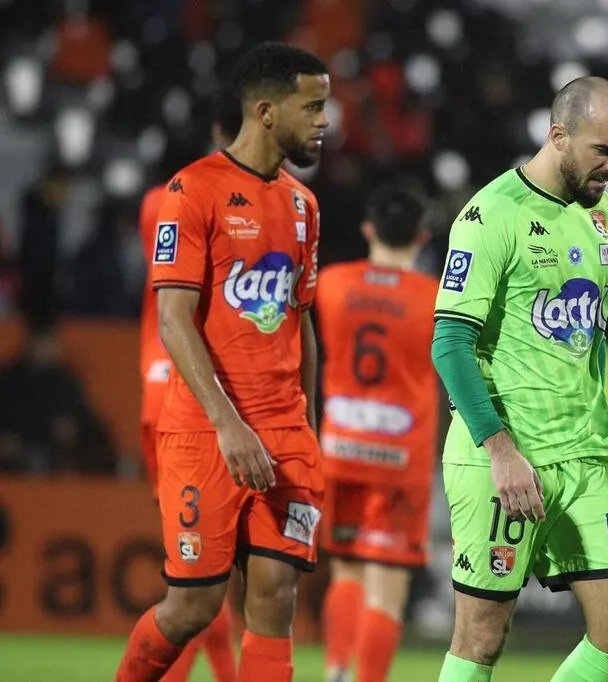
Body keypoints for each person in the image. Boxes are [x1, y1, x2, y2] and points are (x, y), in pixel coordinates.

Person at [115, 41, 329, 682]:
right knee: (192, 607)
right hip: (207, 433)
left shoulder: (303, 206)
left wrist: (308, 424)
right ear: (267, 111)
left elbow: (303, 320)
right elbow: (173, 318)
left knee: (276, 597)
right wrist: (228, 422)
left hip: (284, 431)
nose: (324, 121)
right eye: (312, 107)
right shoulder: (193, 190)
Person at [432, 76, 608, 682]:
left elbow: (588, 340)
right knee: (481, 637)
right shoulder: (490, 215)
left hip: (585, 459)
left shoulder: (601, 212)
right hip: (507, 457)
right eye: (603, 150)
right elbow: (449, 344)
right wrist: (500, 451)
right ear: (558, 135)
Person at [135, 87, 242, 682]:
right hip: (203, 388)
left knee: (191, 561)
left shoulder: (159, 199)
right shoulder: (208, 196)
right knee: (206, 568)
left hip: (160, 385)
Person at [315, 185, 438, 682]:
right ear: (422, 237)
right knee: (387, 587)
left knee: (344, 569)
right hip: (399, 456)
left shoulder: (331, 283)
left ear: (368, 230)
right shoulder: (433, 298)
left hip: (340, 447)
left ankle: (336, 670)